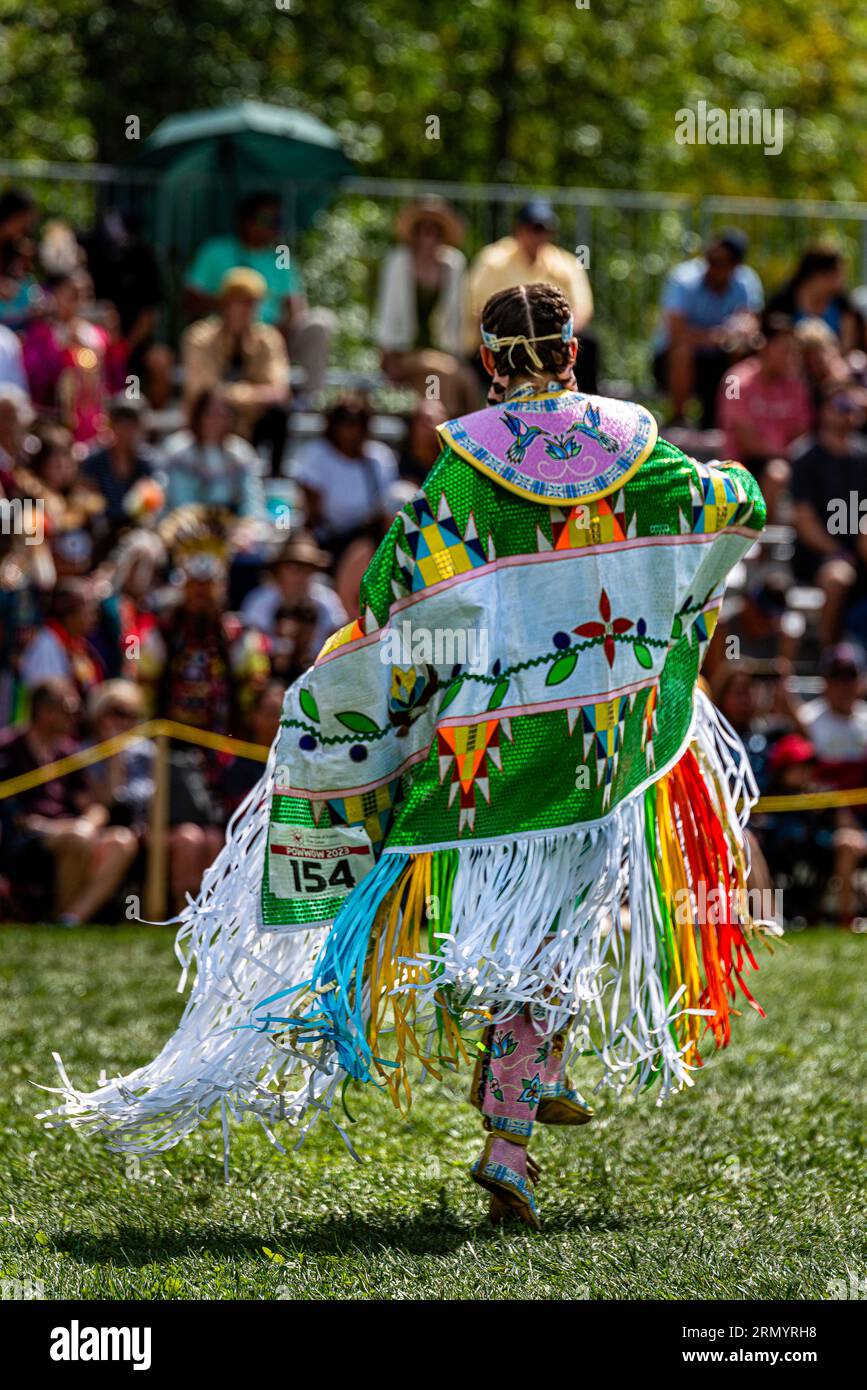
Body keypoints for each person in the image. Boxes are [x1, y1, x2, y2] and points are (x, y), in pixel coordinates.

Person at [48, 281, 772, 1232]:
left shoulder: (468, 468)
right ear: (570, 348)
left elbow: (398, 584)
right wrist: (654, 604)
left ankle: (516, 1084)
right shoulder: (631, 446)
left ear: (487, 361)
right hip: (603, 746)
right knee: (559, 930)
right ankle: (510, 1128)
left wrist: (375, 663)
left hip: (496, 752)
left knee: (521, 930)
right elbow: (737, 501)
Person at [0, 677, 137, 925]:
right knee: (77, 838)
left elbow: (94, 804)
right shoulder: (8, 748)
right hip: (23, 839)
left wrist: (88, 822)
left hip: (71, 831)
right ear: (45, 712)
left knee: (121, 840)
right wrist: (65, 829)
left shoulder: (68, 754)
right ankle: (54, 918)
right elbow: (14, 814)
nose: (77, 716)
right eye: (70, 709)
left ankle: (69, 919)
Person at [183, 191, 334, 397]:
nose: (274, 225)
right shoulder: (216, 251)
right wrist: (231, 306)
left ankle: (309, 401)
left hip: (272, 339)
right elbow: (190, 300)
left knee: (319, 322)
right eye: (267, 219)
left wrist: (274, 335)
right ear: (244, 220)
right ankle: (210, 400)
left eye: (278, 220)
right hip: (224, 338)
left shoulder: (281, 257)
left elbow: (294, 307)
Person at [466, 199, 597, 392]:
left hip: (553, 349)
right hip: (506, 346)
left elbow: (583, 310)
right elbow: (479, 311)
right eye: (534, 227)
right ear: (518, 228)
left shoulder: (566, 264)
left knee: (591, 344)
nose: (539, 235)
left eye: (545, 228)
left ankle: (587, 408)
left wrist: (552, 342)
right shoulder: (493, 261)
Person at [181, 268, 291, 477]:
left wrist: (233, 394)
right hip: (211, 422)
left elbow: (279, 391)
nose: (248, 309)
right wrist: (254, 394)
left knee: (279, 414)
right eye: (242, 301)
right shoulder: (199, 337)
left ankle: (274, 479)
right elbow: (203, 391)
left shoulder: (269, 338)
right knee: (212, 410)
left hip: (253, 422)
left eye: (253, 302)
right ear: (225, 304)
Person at [653, 229, 764, 427]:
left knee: (741, 348)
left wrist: (740, 333)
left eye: (722, 262)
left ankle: (726, 416)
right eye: (712, 260)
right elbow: (677, 334)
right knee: (683, 350)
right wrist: (719, 336)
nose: (714, 267)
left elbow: (751, 323)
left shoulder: (746, 281)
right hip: (671, 362)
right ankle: (679, 418)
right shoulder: (683, 279)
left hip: (720, 358)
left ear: (735, 265)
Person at [376, 199, 476, 418]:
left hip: (442, 355)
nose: (428, 237)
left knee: (461, 381)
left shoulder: (454, 264)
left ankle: (442, 434)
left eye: (435, 231)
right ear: (414, 234)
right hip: (403, 352)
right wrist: (386, 354)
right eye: (423, 230)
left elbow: (459, 316)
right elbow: (387, 310)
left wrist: (458, 353)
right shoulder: (398, 262)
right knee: (447, 374)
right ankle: (450, 437)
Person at [790, 381, 867, 644]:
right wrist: (839, 551)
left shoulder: (863, 457)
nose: (849, 413)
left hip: (858, 553)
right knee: (838, 576)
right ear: (824, 411)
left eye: (853, 406)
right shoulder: (806, 457)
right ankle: (830, 656)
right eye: (842, 406)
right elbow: (804, 520)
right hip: (819, 556)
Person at [716, 311, 812, 520]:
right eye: (785, 350)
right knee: (778, 472)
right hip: (741, 464)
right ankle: (758, 535)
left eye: (794, 351)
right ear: (765, 347)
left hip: (783, 462)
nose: (791, 357)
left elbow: (802, 432)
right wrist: (783, 452)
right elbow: (745, 439)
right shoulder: (735, 380)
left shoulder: (797, 386)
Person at [293, 395, 398, 559]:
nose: (351, 429)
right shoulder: (316, 456)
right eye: (344, 421)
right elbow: (311, 516)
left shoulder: (380, 456)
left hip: (372, 540)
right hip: (329, 542)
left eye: (358, 421)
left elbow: (387, 508)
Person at [22, 271, 111, 443]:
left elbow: (107, 378)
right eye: (72, 295)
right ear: (54, 296)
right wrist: (60, 350)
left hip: (89, 417)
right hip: (51, 416)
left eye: (82, 295)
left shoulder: (93, 334)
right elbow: (35, 375)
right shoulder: (40, 334)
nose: (77, 301)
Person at [156, 388, 265, 520]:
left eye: (223, 415)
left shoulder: (241, 453)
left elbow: (252, 501)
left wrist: (247, 528)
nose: (217, 421)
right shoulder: (178, 451)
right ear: (198, 416)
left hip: (232, 527)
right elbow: (181, 503)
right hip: (185, 525)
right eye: (211, 414)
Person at [240, 529, 345, 652]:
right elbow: (251, 645)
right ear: (279, 571)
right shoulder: (259, 601)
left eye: (307, 569)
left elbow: (338, 639)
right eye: (294, 569)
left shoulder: (327, 599)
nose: (301, 576)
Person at [82, 396, 154, 547]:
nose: (127, 431)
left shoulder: (146, 462)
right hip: (101, 534)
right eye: (121, 423)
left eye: (132, 425)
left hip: (135, 532)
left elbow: (148, 504)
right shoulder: (94, 460)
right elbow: (90, 503)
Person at [766, 245, 864, 353]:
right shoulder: (782, 303)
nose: (841, 282)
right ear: (818, 275)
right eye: (837, 275)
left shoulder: (843, 306)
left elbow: (848, 347)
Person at [19, 578, 104, 699]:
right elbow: (46, 700)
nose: (94, 617)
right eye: (88, 609)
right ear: (69, 615)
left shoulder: (76, 644)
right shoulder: (45, 645)